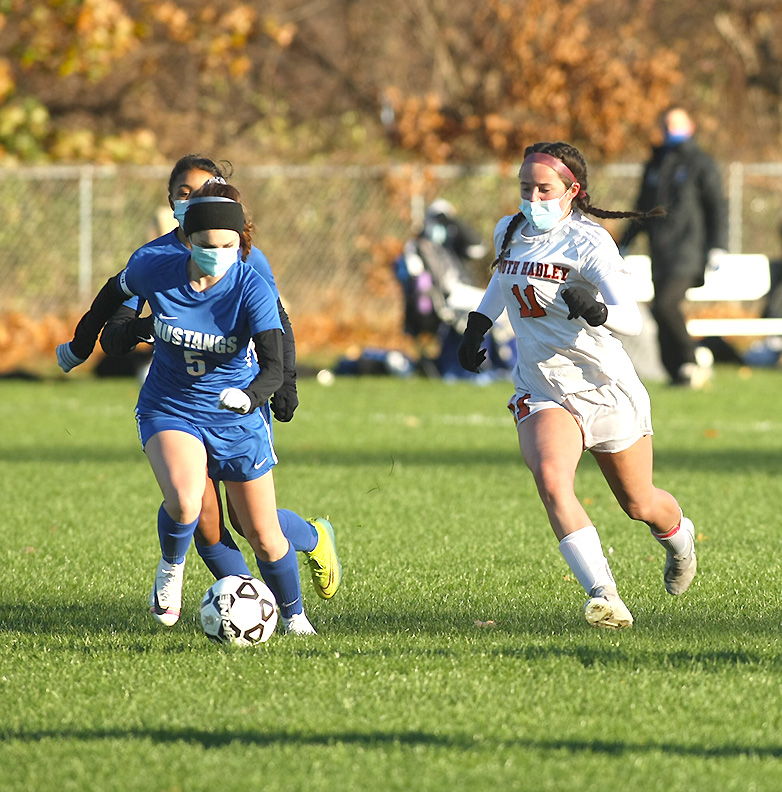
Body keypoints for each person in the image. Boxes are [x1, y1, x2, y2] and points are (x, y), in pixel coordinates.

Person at [57, 181, 336, 635]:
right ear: (187, 238)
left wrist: (251, 396)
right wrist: (81, 343)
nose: (219, 254)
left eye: (229, 245)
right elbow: (110, 298)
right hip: (171, 406)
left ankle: (294, 616)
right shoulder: (154, 266)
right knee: (189, 505)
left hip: (236, 416)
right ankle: (170, 574)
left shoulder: (251, 286)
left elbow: (271, 362)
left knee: (262, 533)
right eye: (209, 245)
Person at [457, 141, 697, 630]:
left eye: (544, 189)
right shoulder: (511, 229)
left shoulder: (590, 242)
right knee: (551, 478)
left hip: (603, 385)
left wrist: (598, 311)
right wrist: (478, 325)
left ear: (572, 191)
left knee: (639, 503)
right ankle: (604, 595)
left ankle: (680, 538)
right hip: (543, 387)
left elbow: (631, 318)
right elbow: (502, 284)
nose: (532, 198)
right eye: (526, 187)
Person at [619, 106, 729, 388]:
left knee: (667, 304)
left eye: (677, 123)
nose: (671, 129)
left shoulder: (700, 162)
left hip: (689, 251)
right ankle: (677, 372)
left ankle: (693, 356)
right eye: (667, 124)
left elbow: (716, 206)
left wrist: (718, 246)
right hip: (661, 252)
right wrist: (623, 243)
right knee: (659, 309)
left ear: (690, 126)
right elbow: (643, 209)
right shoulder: (656, 163)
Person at [394, 199, 516, 380]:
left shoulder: (450, 245)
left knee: (505, 302)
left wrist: (454, 222)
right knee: (493, 305)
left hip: (460, 293)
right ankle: (492, 363)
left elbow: (478, 247)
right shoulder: (419, 247)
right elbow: (419, 283)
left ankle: (505, 362)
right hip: (447, 298)